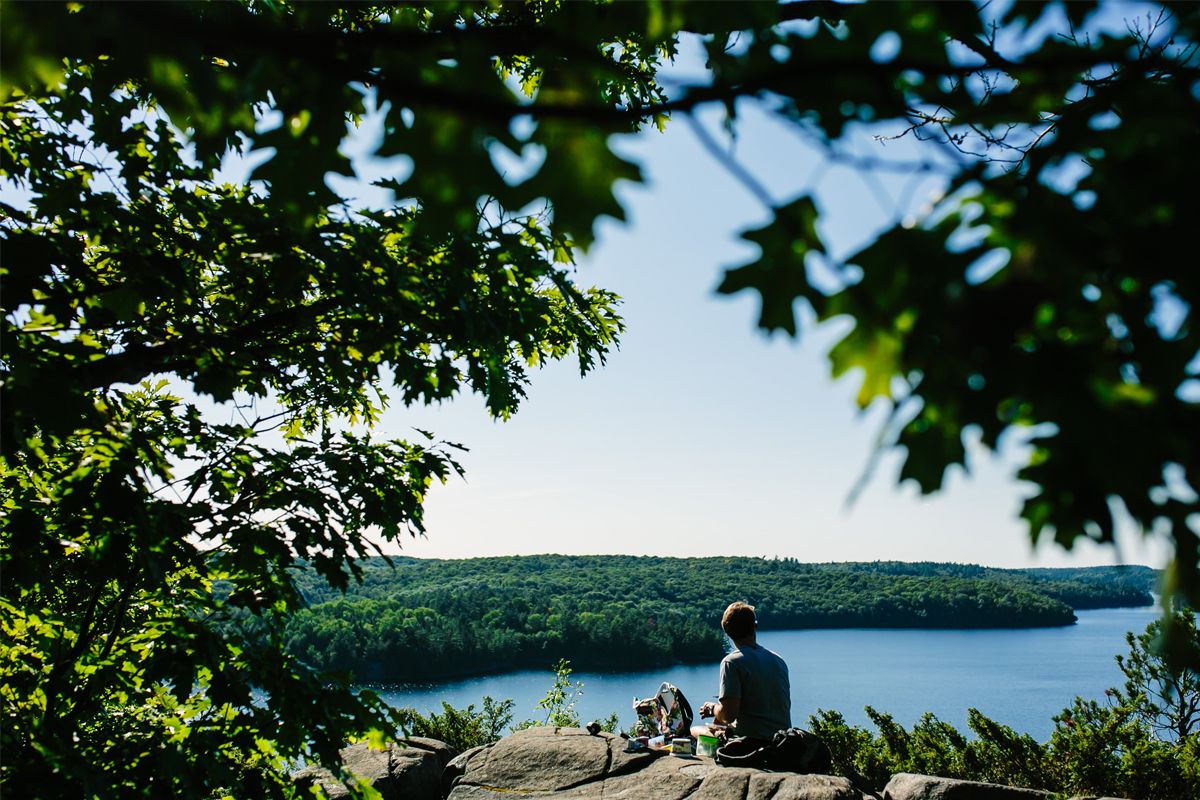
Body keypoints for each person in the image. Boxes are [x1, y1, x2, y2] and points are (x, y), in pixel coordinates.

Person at [697, 601, 791, 743]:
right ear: (755, 627)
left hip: (751, 743)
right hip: (782, 741)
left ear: (727, 631)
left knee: (695, 731)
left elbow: (728, 715)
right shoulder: (778, 660)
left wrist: (712, 709)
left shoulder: (732, 662)